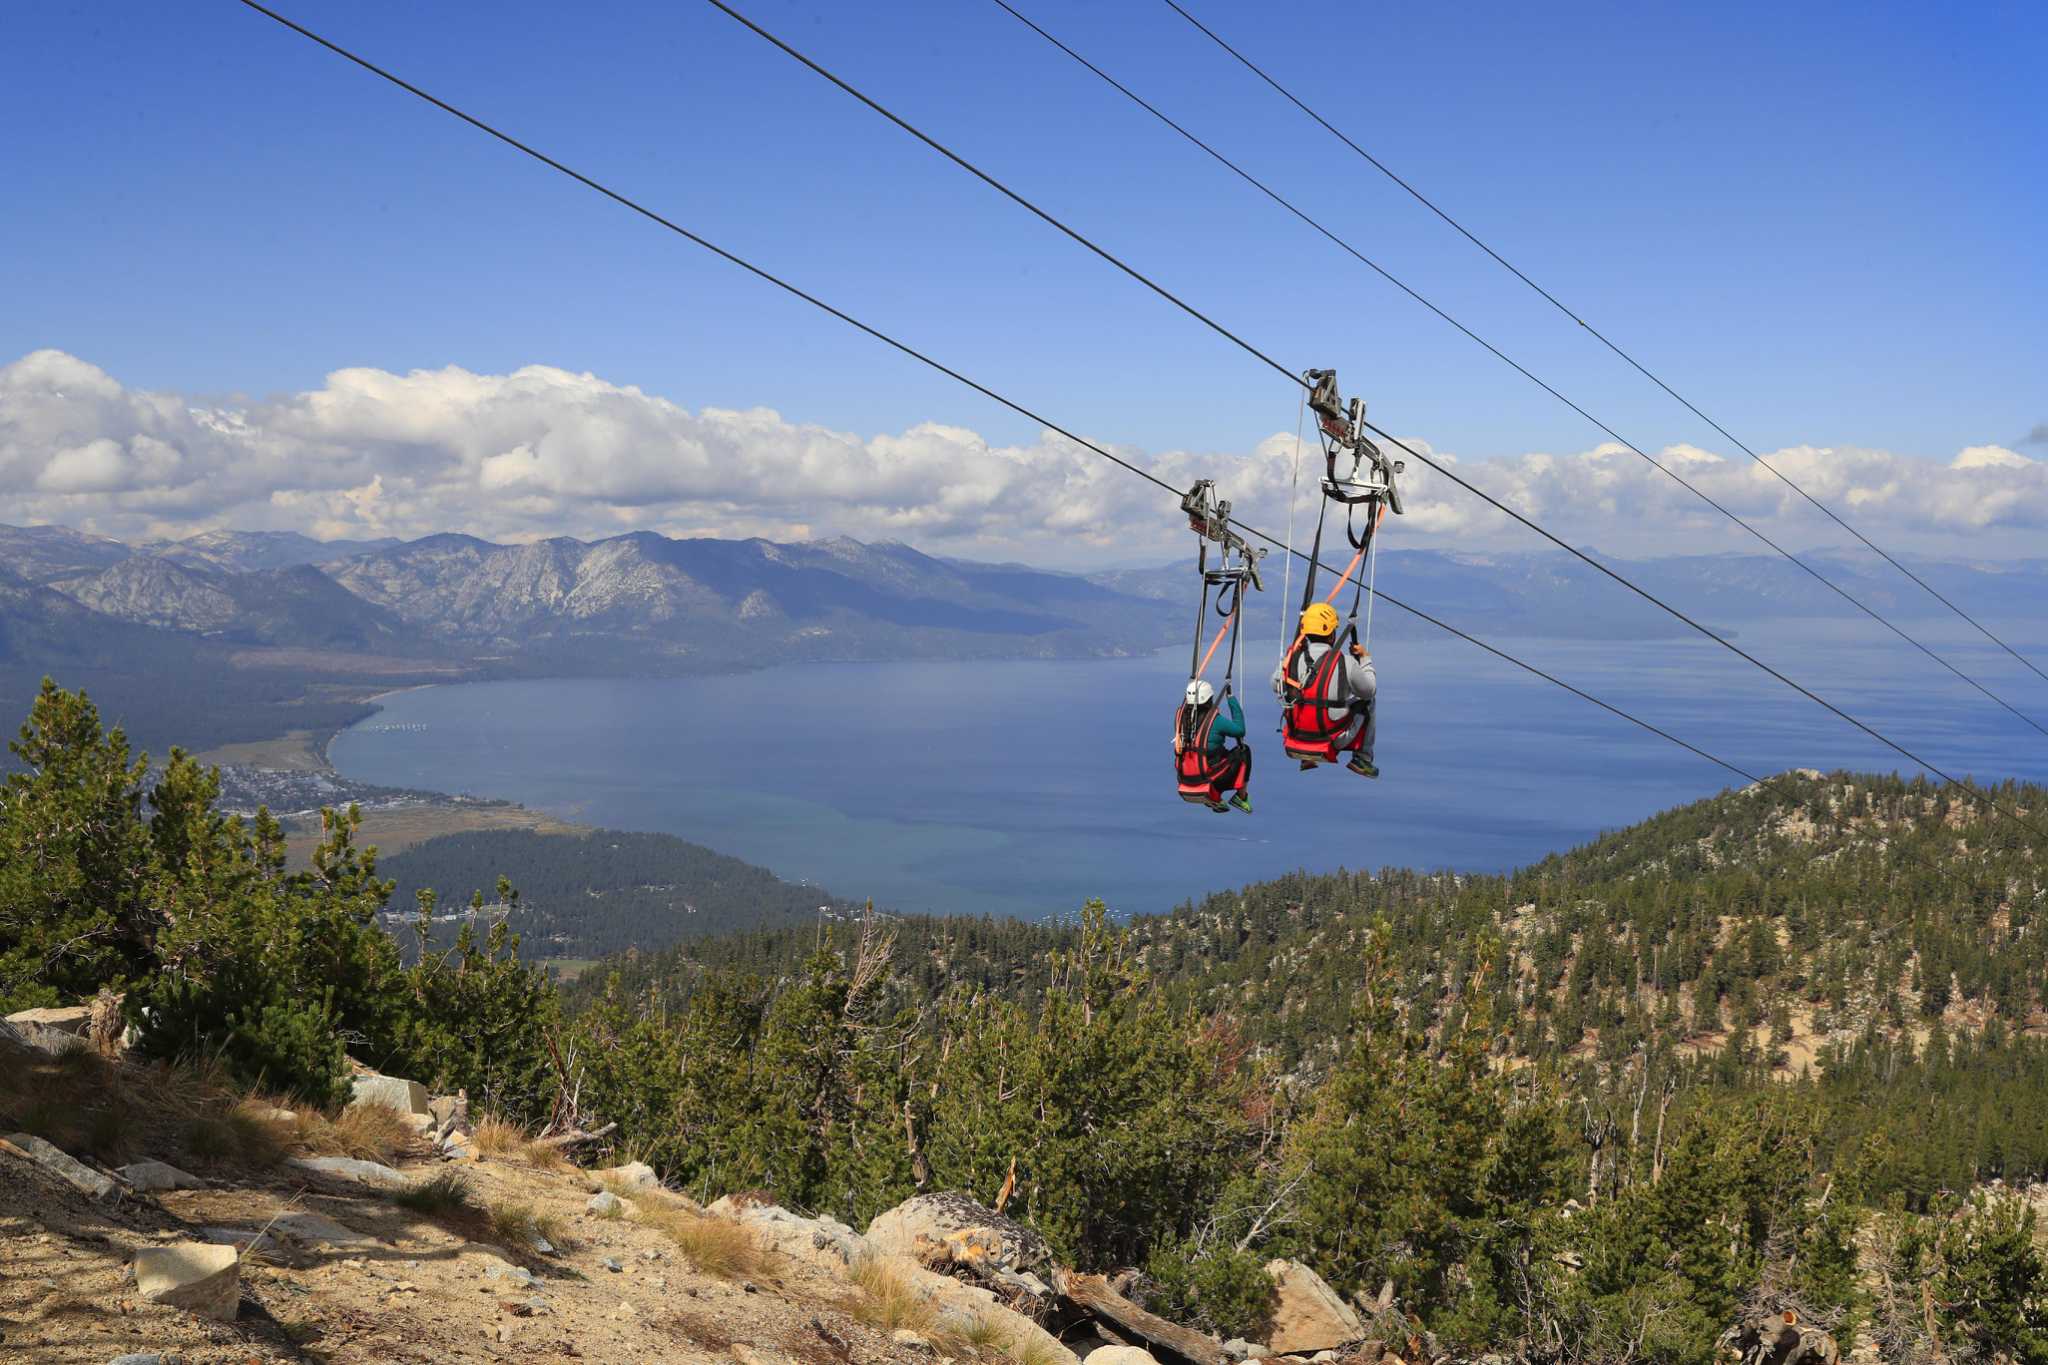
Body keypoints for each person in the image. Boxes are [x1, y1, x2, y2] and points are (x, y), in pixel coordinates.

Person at [1273, 601, 1378, 777]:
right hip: (1332, 737)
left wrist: (1292, 655)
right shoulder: (1345, 662)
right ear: (1331, 636)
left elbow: (1276, 684)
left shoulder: (1293, 660)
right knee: (1368, 702)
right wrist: (1365, 659)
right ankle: (1363, 758)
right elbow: (1369, 690)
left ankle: (1307, 756)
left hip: (1298, 734)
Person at [1174, 678, 1253, 813]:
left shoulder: (1181, 718)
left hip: (1185, 777)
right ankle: (1241, 797)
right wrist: (1231, 699)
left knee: (1214, 758)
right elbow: (1240, 730)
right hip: (1209, 777)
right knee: (1244, 751)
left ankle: (1215, 797)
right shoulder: (1215, 721)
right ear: (1209, 700)